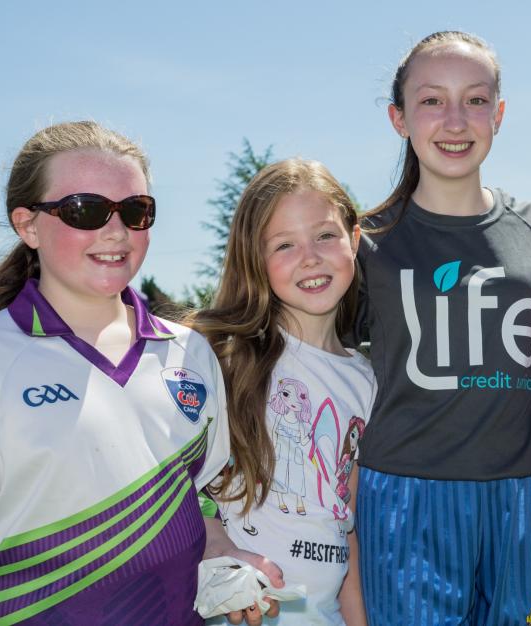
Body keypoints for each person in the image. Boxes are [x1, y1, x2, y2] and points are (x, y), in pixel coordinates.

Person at [0, 121, 277, 626]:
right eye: (85, 210)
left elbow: (195, 507)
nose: (116, 232)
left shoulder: (191, 355)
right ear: (28, 226)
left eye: (136, 211)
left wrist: (230, 565)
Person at [351, 31, 531, 625]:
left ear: (498, 115)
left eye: (475, 100)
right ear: (399, 118)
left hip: (525, 499)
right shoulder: (364, 242)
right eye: (431, 101)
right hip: (405, 501)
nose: (455, 120)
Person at [185, 158, 375, 625]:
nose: (310, 257)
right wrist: (220, 547)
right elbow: (174, 488)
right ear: (255, 258)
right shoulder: (218, 355)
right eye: (285, 244)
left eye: (325, 235)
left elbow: (347, 525)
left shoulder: (369, 378)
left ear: (354, 240)